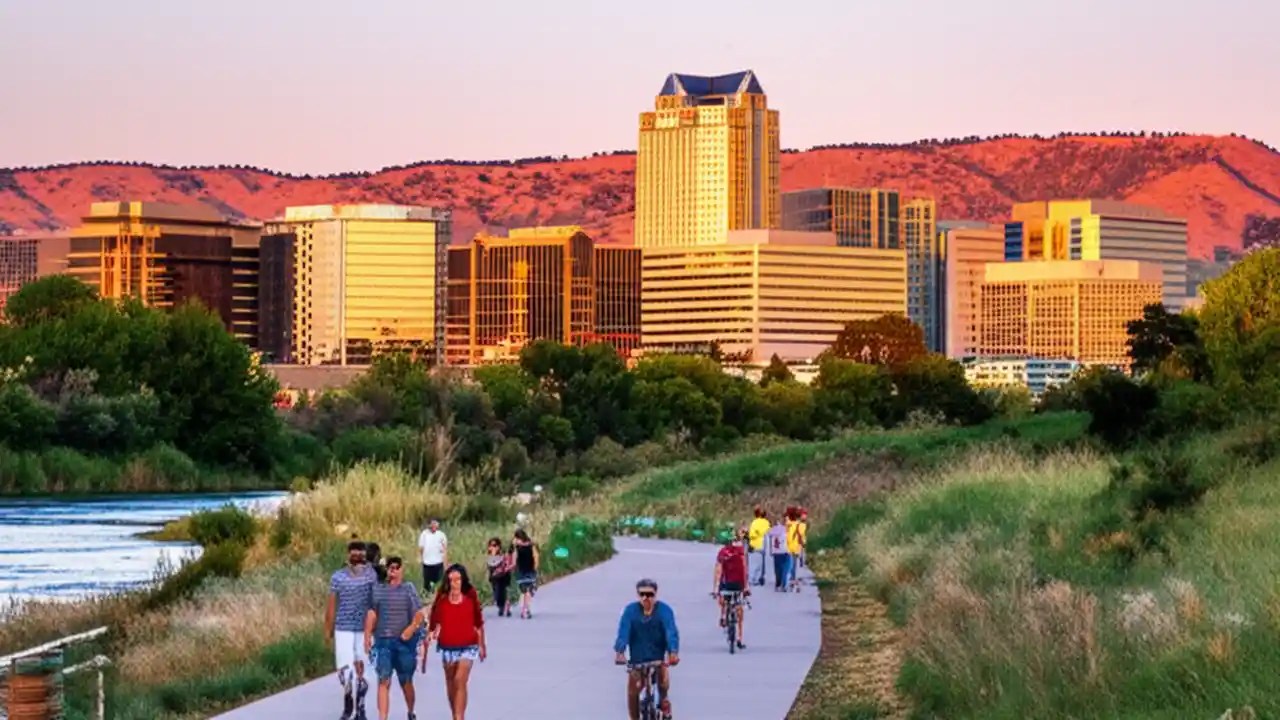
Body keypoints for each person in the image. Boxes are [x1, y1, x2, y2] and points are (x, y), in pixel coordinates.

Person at [411, 563, 486, 720]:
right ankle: (455, 714)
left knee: (460, 680)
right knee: (451, 683)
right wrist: (429, 635)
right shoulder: (443, 597)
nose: (455, 583)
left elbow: (478, 622)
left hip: (468, 645)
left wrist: (481, 645)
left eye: (458, 579)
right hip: (448, 646)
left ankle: (459, 717)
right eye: (452, 580)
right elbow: (434, 618)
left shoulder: (470, 594)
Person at [364, 557, 421, 720]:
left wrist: (411, 629)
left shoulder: (408, 589)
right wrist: (367, 636)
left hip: (404, 643)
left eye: (396, 567)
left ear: (402, 570)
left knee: (406, 681)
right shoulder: (378, 590)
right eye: (390, 568)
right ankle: (383, 717)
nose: (393, 570)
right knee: (383, 680)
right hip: (383, 642)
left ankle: (411, 711)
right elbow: (372, 613)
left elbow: (418, 614)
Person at [614, 578, 680, 720]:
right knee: (632, 691)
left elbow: (671, 631)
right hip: (637, 659)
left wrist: (673, 652)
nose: (646, 598)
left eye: (649, 595)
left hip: (657, 658)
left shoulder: (664, 611)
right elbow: (623, 632)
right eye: (642, 594)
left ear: (655, 595)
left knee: (663, 680)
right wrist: (620, 651)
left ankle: (664, 702)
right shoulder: (630, 611)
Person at [325, 540, 376, 720]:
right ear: (348, 555)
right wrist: (328, 629)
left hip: (364, 629)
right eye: (353, 554)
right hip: (343, 627)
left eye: (360, 554)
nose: (357, 558)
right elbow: (331, 605)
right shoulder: (338, 577)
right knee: (345, 667)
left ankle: (360, 706)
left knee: (363, 666)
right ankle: (348, 699)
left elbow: (378, 601)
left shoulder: (372, 575)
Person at [713, 529, 750, 650]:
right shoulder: (742, 553)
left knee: (723, 598)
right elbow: (745, 571)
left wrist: (715, 588)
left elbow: (718, 571)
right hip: (739, 584)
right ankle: (739, 638)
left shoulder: (723, 552)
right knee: (739, 610)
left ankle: (723, 616)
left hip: (726, 584)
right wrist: (746, 587)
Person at [511, 529, 539, 619]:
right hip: (530, 571)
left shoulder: (517, 548)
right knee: (528, 591)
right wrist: (535, 568)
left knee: (524, 591)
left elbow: (514, 562)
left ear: (518, 538)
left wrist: (511, 568)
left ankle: (525, 609)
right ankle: (526, 609)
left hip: (521, 572)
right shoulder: (531, 546)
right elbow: (536, 557)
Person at [417, 519, 448, 597]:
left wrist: (446, 563)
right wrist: (420, 558)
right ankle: (427, 596)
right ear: (429, 525)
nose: (434, 526)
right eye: (432, 524)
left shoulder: (441, 535)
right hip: (427, 563)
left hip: (438, 562)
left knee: (439, 582)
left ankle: (438, 596)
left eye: (436, 524)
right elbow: (421, 548)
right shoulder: (424, 534)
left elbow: (444, 550)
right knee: (427, 583)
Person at [485, 537, 513, 617]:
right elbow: (489, 567)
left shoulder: (503, 555)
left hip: (503, 577)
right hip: (494, 578)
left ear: (499, 546)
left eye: (494, 545)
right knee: (496, 593)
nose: (492, 547)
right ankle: (501, 606)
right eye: (491, 545)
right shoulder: (489, 556)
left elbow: (507, 564)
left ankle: (506, 608)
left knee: (503, 592)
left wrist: (503, 568)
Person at [766, 516, 791, 592]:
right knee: (785, 569)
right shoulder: (786, 530)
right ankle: (784, 584)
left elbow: (769, 539)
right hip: (785, 551)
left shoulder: (772, 530)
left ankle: (778, 584)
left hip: (776, 552)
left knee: (777, 569)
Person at [747, 508, 770, 587]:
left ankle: (751, 579)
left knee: (753, 563)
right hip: (763, 545)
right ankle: (757, 579)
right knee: (760, 564)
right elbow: (767, 532)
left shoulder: (754, 523)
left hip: (755, 545)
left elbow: (751, 535)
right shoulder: (767, 523)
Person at [786, 508, 806, 592]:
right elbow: (801, 535)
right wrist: (804, 543)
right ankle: (793, 579)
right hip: (796, 546)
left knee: (790, 563)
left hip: (788, 546)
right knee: (795, 564)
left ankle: (789, 578)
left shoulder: (788, 524)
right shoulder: (800, 525)